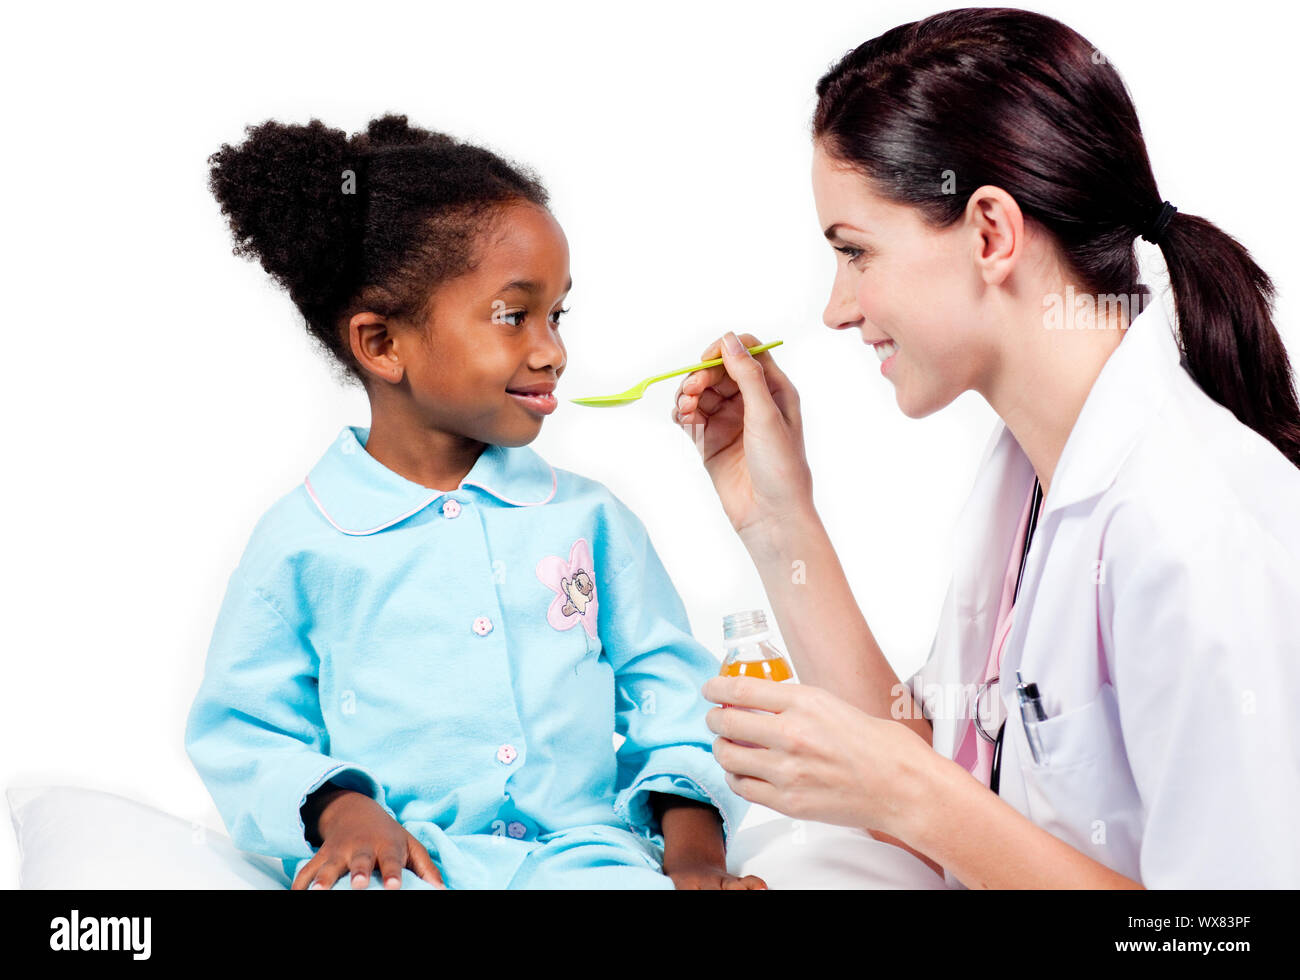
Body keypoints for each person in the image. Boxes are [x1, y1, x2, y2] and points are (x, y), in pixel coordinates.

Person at [672, 7, 1300, 888]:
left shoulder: (1192, 535)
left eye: (855, 253)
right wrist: (778, 519)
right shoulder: (1030, 472)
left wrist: (912, 792)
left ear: (991, 234)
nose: (836, 308)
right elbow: (948, 796)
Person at [184, 114, 766, 890]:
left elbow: (672, 700)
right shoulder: (303, 542)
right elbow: (245, 731)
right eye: (512, 315)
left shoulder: (587, 521)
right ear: (382, 344)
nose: (551, 349)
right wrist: (344, 813)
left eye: (556, 315)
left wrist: (694, 857)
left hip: (585, 858)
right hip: (400, 859)